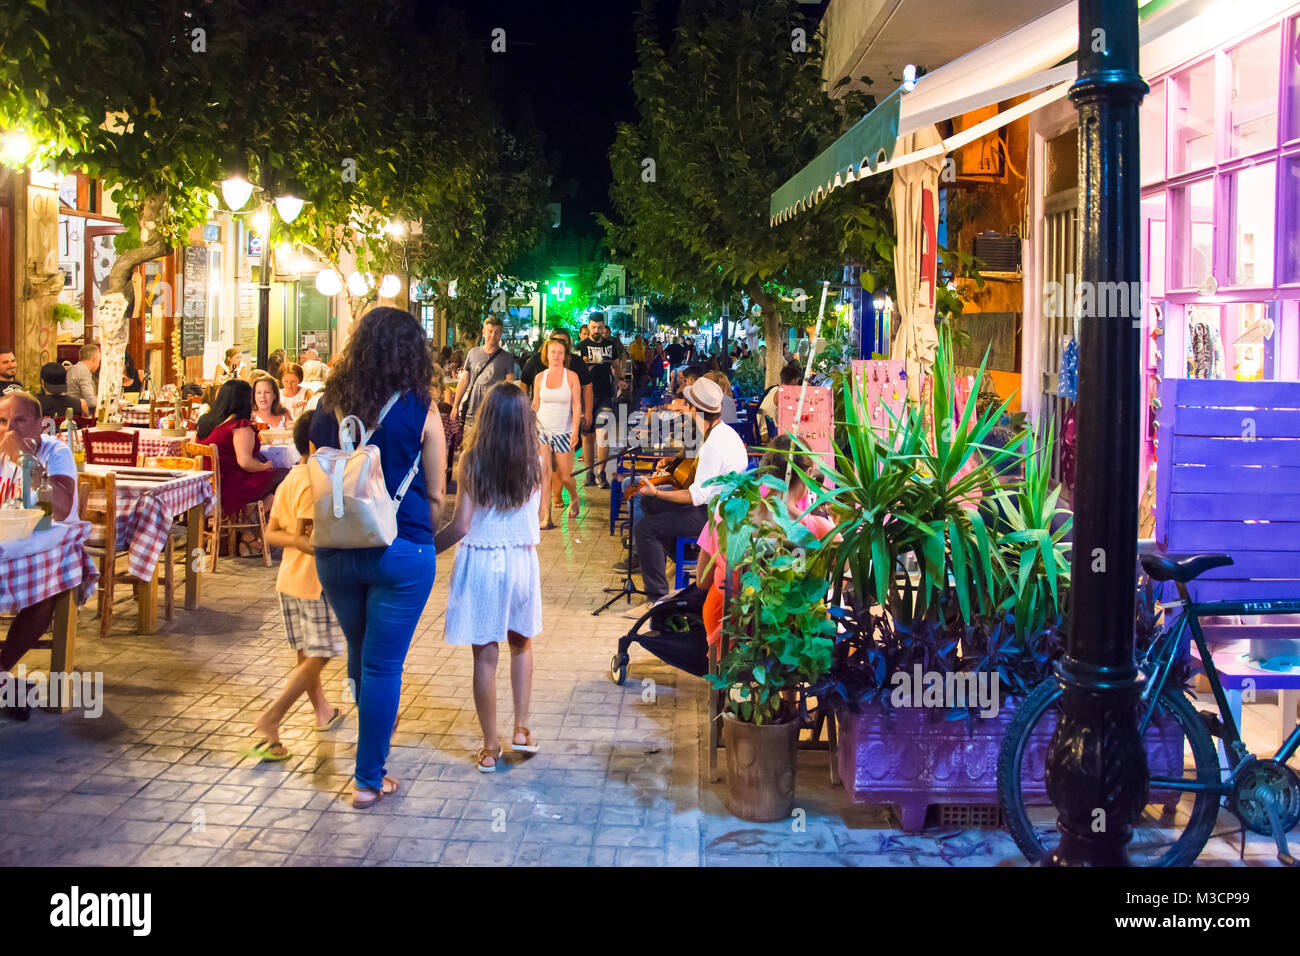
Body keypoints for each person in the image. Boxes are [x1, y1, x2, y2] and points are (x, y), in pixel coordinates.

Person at [308, 307, 447, 810]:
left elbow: (317, 471)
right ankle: (368, 779)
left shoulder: (329, 404)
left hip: (336, 549)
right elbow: (437, 496)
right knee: (383, 665)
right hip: (401, 549)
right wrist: (417, 538)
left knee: (360, 651)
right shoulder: (423, 408)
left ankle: (371, 756)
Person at [436, 383, 543, 772]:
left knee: (485, 656)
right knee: (521, 644)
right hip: (521, 562)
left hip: (482, 562)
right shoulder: (536, 461)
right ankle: (522, 730)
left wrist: (426, 549)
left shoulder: (470, 460)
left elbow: (461, 525)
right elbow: (537, 516)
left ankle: (489, 746)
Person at [243, 411, 345, 760]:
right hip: (314, 582)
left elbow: (272, 533)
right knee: (323, 652)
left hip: (289, 579)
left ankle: (322, 711)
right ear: (317, 446)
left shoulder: (290, 479)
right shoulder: (315, 482)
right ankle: (272, 716)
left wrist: (298, 541)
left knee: (307, 652)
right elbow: (311, 538)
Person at [619, 377, 747, 618]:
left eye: (688, 406)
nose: (685, 410)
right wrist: (656, 494)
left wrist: (657, 490)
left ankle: (656, 599)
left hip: (713, 516)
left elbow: (696, 496)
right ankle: (685, 559)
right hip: (720, 509)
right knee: (648, 503)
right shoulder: (723, 433)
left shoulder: (713, 444)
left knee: (645, 528)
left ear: (695, 410)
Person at [696, 437, 834, 651]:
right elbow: (834, 580)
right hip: (790, 637)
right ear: (808, 474)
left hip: (729, 631)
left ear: (766, 470)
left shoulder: (725, 515)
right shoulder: (817, 528)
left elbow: (702, 581)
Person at [0, 392, 77, 721]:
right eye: (3, 421)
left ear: (40, 424)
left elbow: (60, 508)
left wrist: (24, 460)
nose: (10, 430)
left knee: (45, 593)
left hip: (49, 554)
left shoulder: (55, 452)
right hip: (9, 547)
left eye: (19, 421)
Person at [195, 380, 283, 549]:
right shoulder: (239, 426)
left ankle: (248, 530)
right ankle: (250, 523)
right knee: (285, 476)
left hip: (205, 486)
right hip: (230, 486)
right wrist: (265, 467)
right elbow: (245, 462)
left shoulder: (204, 422)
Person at [531, 336, 582, 530]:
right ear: (547, 354)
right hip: (542, 430)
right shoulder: (540, 377)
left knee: (565, 475)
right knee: (544, 474)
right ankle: (546, 518)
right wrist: (528, 422)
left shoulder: (572, 377)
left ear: (565, 355)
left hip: (564, 432)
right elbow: (536, 403)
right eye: (553, 352)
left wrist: (575, 430)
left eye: (560, 352)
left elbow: (576, 406)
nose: (556, 355)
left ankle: (574, 497)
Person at [575, 313, 625, 489]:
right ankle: (589, 472)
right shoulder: (580, 347)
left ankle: (601, 472)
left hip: (605, 395)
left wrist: (620, 379)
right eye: (593, 327)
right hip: (585, 397)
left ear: (604, 327)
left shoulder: (610, 346)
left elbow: (616, 366)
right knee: (587, 435)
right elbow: (574, 372)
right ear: (588, 327)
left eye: (600, 327)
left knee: (603, 433)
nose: (596, 330)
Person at [452, 315, 515, 432]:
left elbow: (509, 385)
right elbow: (464, 381)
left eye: (497, 332)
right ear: (483, 332)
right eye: (490, 331)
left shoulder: (507, 358)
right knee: (469, 442)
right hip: (472, 412)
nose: (493, 335)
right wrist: (455, 406)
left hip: (495, 414)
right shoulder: (472, 353)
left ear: (501, 334)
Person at [759, 363, 802, 442]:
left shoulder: (774, 389)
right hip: (766, 434)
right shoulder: (784, 393)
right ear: (793, 380)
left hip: (763, 430)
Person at [65, 344, 100, 415]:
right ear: (94, 358)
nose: (98, 364)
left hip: (68, 411)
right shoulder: (83, 372)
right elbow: (91, 402)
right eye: (99, 360)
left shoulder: (72, 369)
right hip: (79, 415)